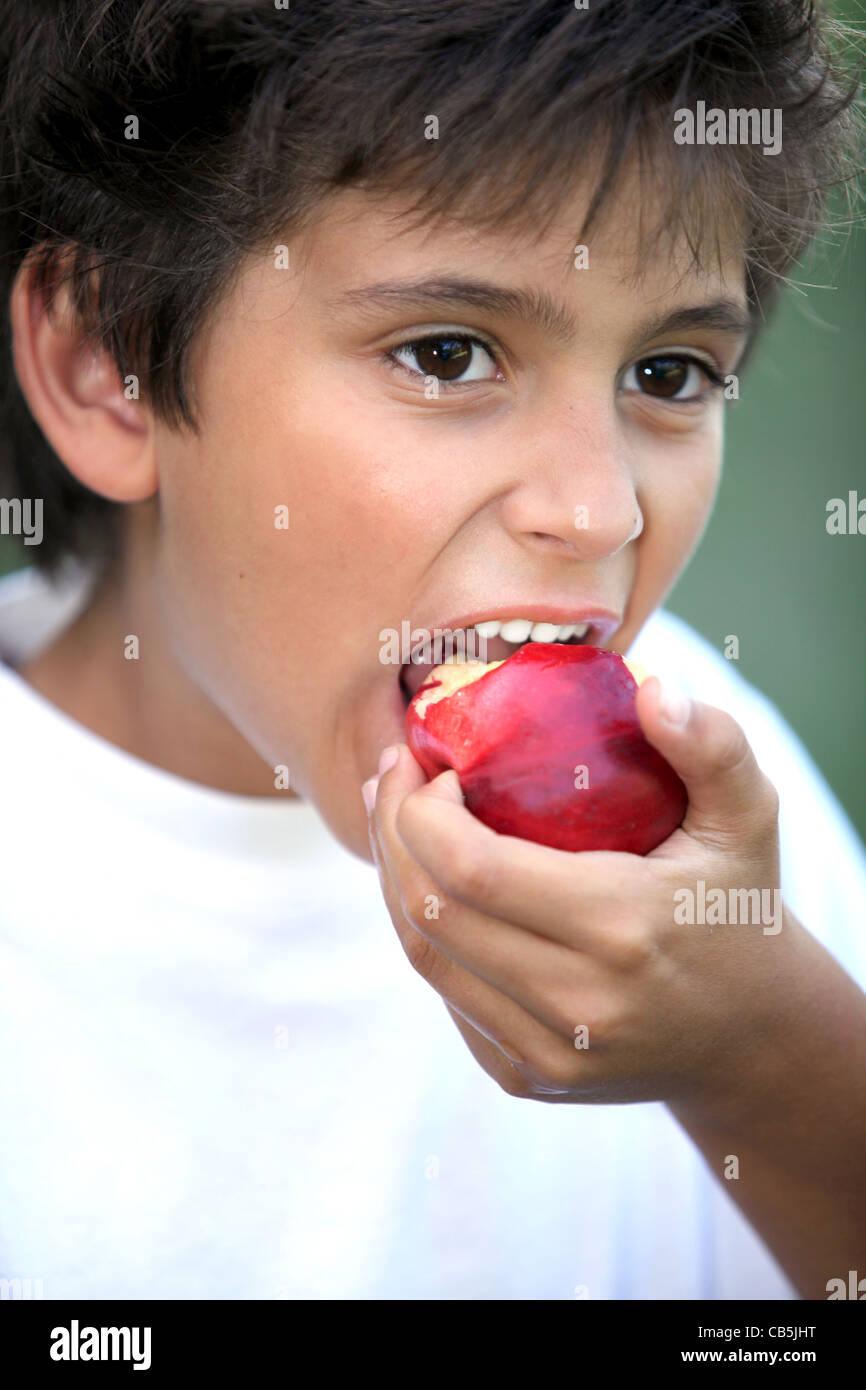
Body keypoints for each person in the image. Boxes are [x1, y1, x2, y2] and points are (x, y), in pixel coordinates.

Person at [0, 0, 863, 1301]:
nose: (595, 510)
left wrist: (770, 1065)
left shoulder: (725, 839)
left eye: (671, 374)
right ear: (103, 360)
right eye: (449, 354)